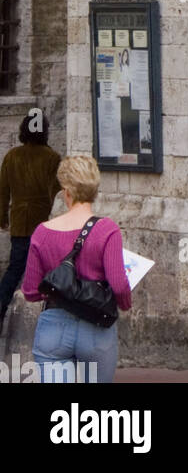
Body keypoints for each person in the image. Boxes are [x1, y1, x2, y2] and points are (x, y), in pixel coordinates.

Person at [21, 154, 131, 383]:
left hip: (54, 326)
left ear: (66, 192)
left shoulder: (42, 232)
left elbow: (31, 291)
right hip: (96, 327)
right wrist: (124, 303)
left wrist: (60, 289)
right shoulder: (107, 230)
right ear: (94, 190)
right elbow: (119, 285)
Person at [0, 112, 61, 334]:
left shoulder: (11, 156)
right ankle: (44, 317)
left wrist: (2, 219)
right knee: (46, 270)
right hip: (42, 222)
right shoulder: (52, 158)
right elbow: (56, 192)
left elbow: (3, 192)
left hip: (19, 221)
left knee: (15, 269)